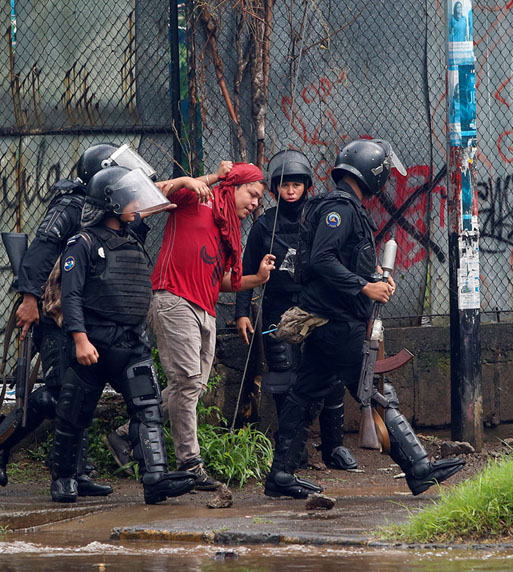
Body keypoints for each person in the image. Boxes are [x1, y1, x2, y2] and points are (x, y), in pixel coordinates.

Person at [0, 143, 212, 492]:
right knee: (63, 395)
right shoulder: (71, 206)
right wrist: (29, 299)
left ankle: (78, 475)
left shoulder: (116, 216)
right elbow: (42, 250)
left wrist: (198, 180)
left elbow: (155, 195)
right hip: (59, 313)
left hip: (100, 317)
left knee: (80, 397)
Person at [264, 138, 465, 498]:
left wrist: (373, 276)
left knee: (304, 395)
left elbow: (339, 259)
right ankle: (418, 467)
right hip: (337, 324)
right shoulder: (338, 208)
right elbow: (323, 260)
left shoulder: (344, 207)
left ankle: (280, 475)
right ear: (374, 173)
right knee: (373, 391)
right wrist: (364, 287)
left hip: (330, 323)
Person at [107, 163, 276, 491]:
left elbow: (221, 280)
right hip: (173, 299)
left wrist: (257, 278)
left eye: (259, 199)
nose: (255, 204)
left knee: (191, 388)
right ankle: (190, 463)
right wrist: (195, 178)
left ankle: (126, 434)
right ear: (234, 185)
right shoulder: (198, 198)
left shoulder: (228, 227)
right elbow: (151, 195)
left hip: (205, 309)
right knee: (186, 382)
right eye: (252, 194)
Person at [49, 165, 198, 504]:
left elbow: (159, 197)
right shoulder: (82, 243)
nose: (138, 205)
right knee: (74, 413)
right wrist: (80, 339)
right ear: (113, 205)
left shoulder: (132, 237)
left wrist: (195, 181)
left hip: (132, 343)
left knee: (147, 411)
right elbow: (70, 296)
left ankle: (155, 479)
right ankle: (64, 479)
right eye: (131, 199)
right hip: (94, 344)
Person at [234, 150, 357, 471]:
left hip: (316, 306)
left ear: (306, 186)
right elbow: (245, 272)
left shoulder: (319, 216)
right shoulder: (264, 225)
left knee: (330, 379)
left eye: (297, 185)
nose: (291, 191)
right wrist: (242, 312)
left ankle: (334, 448)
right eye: (285, 185)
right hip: (277, 306)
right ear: (275, 188)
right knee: (283, 379)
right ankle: (293, 449)